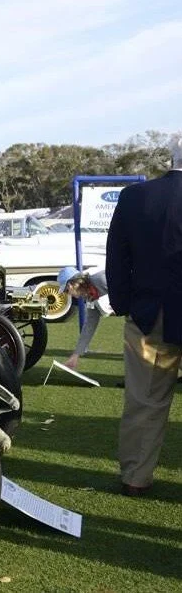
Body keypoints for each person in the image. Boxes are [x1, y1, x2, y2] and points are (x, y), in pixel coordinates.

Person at [105, 136, 182, 497]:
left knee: (145, 401)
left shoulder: (135, 197)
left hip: (150, 315)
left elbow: (117, 258)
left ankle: (136, 476)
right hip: (156, 311)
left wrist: (123, 304)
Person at [57, 267, 112, 370]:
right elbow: (89, 325)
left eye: (66, 290)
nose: (67, 294)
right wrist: (75, 355)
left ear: (71, 285)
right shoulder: (88, 296)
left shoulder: (101, 279)